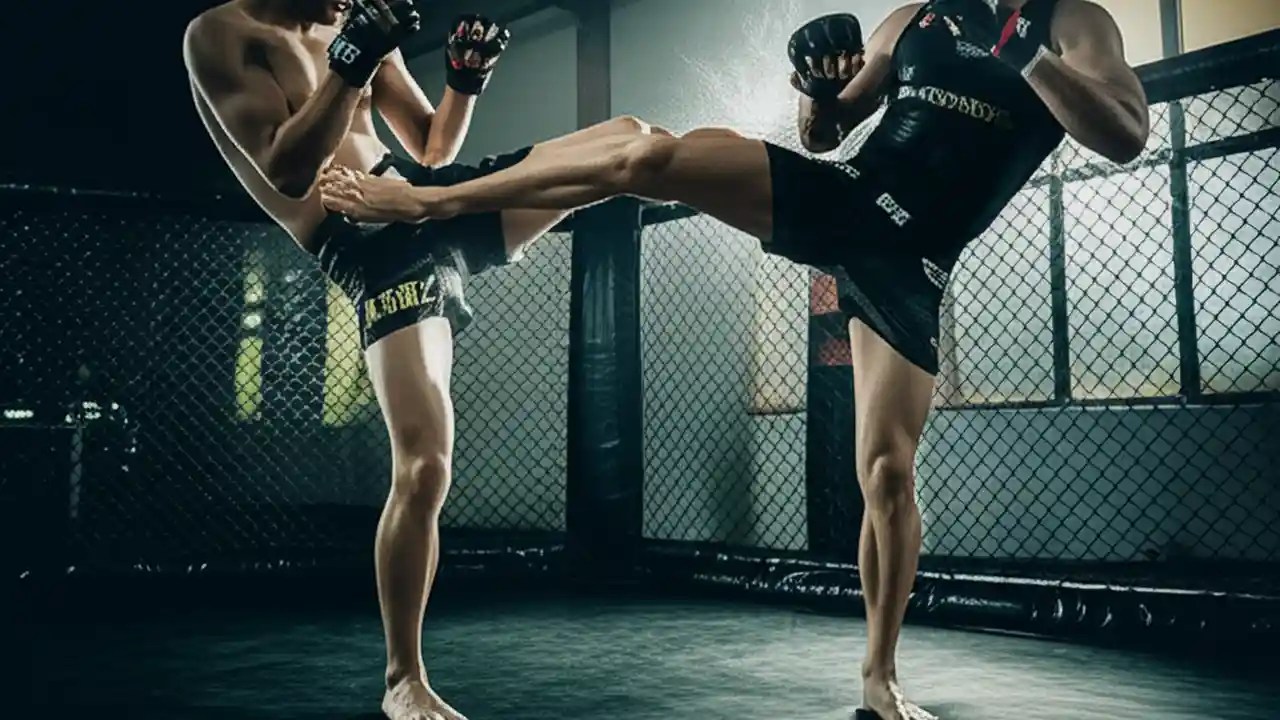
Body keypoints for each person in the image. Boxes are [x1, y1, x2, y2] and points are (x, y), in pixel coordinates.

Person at [317, 0, 1150, 718]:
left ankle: (880, 679)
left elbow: (1124, 134)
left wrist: (1023, 50)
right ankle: (433, 200)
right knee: (647, 156)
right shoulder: (917, 18)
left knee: (888, 474)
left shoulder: (1072, 22)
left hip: (913, 262)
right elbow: (825, 132)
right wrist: (817, 89)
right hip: (845, 202)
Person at [182, 1, 662, 718]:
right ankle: (403, 681)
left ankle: (758, 195)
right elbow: (286, 170)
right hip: (368, 243)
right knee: (426, 464)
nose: (347, 4)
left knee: (630, 140)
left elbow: (432, 148)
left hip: (427, 199)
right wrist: (350, 64)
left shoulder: (354, 16)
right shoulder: (222, 35)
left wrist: (464, 84)